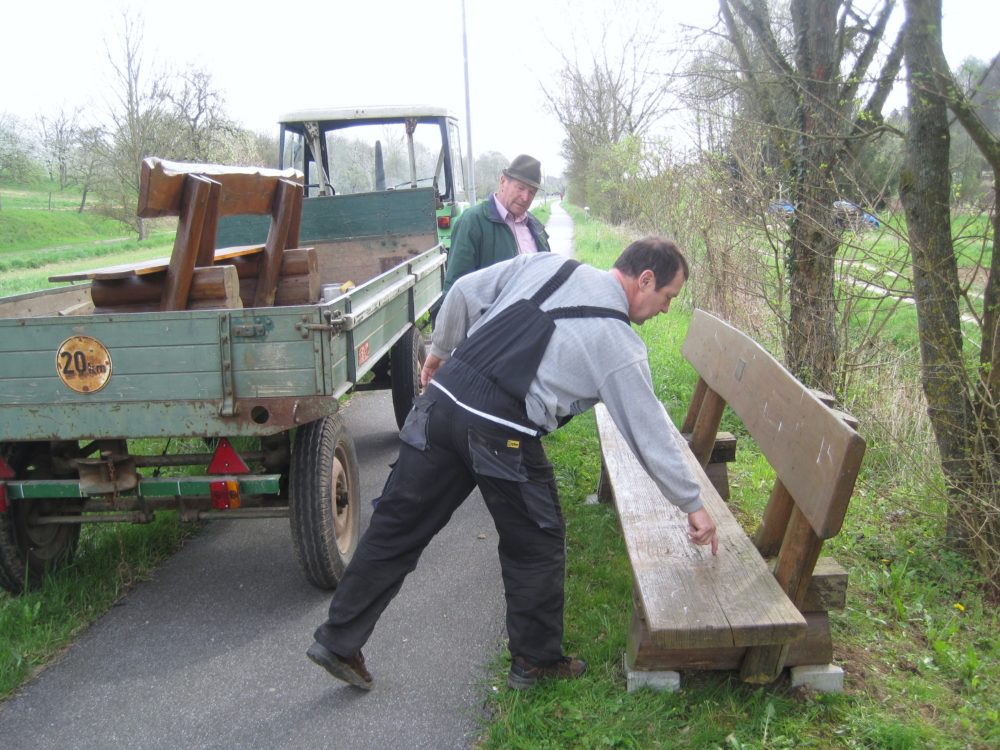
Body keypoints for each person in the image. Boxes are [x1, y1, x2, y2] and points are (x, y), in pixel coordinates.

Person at [306, 236, 719, 691]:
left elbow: (462, 290)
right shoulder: (619, 345)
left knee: (395, 530)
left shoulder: (548, 264)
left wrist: (440, 352)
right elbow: (651, 433)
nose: (665, 309)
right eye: (668, 297)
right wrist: (692, 503)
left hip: (442, 404)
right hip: (499, 432)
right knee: (536, 542)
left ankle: (339, 639)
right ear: (645, 279)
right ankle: (536, 662)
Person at [441, 153, 551, 298]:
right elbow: (455, 291)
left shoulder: (536, 227)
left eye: (531, 192)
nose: (525, 197)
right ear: (503, 181)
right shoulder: (472, 222)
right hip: (493, 319)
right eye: (520, 188)